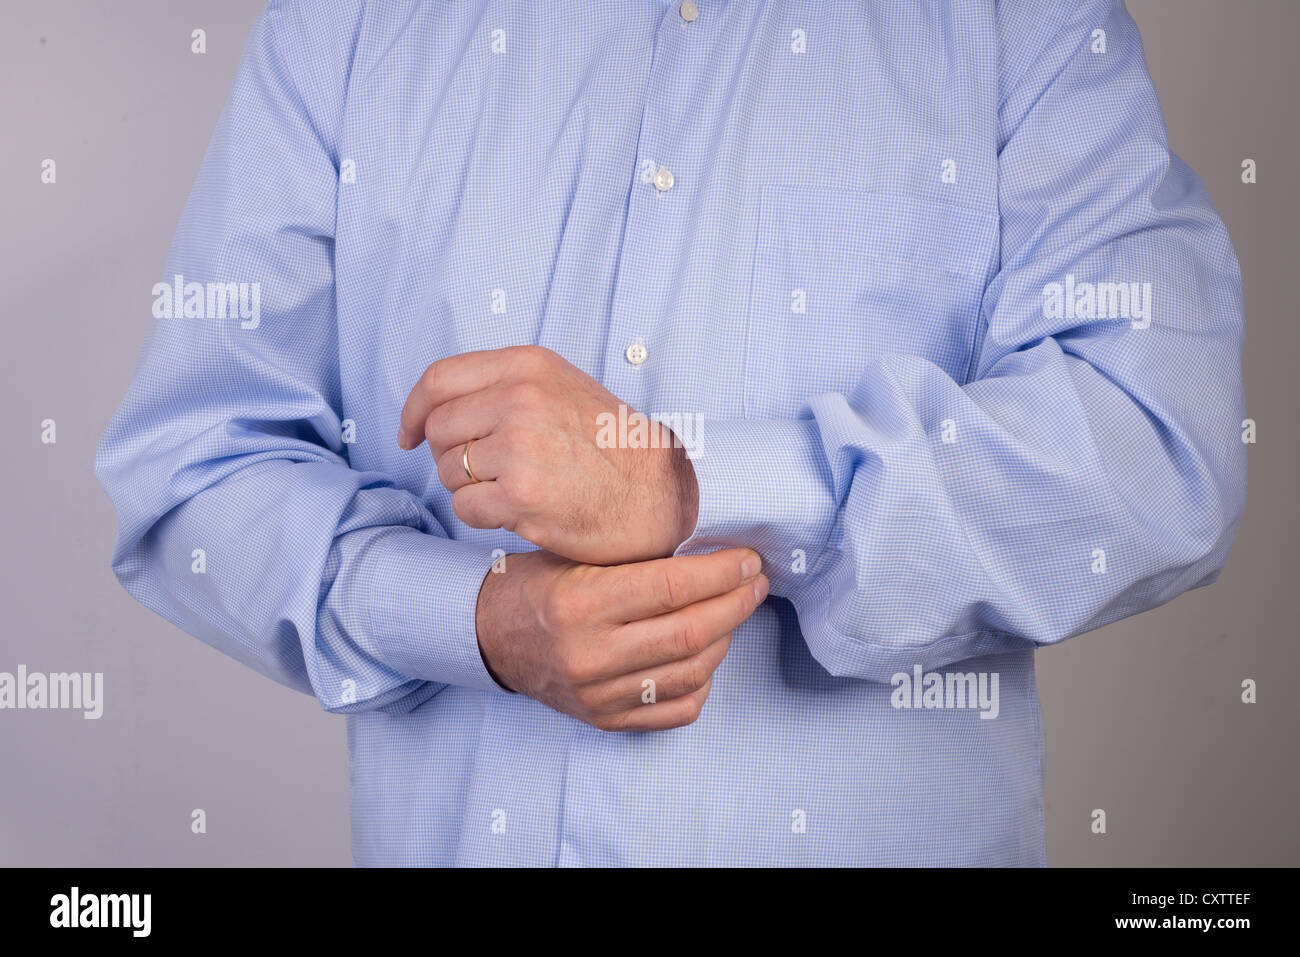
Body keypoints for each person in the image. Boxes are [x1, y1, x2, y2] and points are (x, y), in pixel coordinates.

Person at [95, 0, 1246, 866]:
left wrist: (693, 484)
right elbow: (195, 471)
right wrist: (478, 620)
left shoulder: (1015, 22)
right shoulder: (345, 22)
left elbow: (1156, 446)